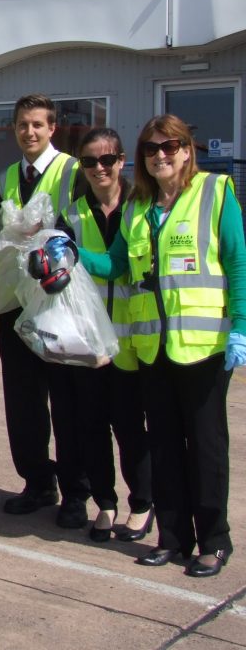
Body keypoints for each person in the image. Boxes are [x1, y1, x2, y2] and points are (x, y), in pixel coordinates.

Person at [79, 114, 246, 577]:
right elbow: (114, 266)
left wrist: (242, 327)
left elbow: (236, 260)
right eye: (151, 150)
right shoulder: (137, 208)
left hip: (204, 346)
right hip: (153, 349)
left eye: (170, 147)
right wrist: (73, 252)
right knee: (166, 446)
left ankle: (214, 540)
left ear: (187, 150)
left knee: (207, 447)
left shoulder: (214, 193)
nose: (161, 156)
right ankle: (172, 537)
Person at [0, 94, 88, 527]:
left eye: (38, 125)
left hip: (58, 303)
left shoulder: (72, 172)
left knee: (67, 403)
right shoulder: (6, 177)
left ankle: (75, 494)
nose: (30, 132)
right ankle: (37, 482)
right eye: (23, 125)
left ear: (52, 129)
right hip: (15, 307)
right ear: (15, 129)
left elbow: (84, 230)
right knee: (23, 403)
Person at [55, 128, 152, 544]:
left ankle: (142, 504)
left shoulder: (142, 207)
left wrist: (74, 254)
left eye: (106, 160)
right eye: (89, 162)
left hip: (130, 340)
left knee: (130, 428)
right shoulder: (73, 213)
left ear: (122, 161)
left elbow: (119, 268)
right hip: (87, 343)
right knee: (90, 427)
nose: (99, 169)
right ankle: (105, 503)